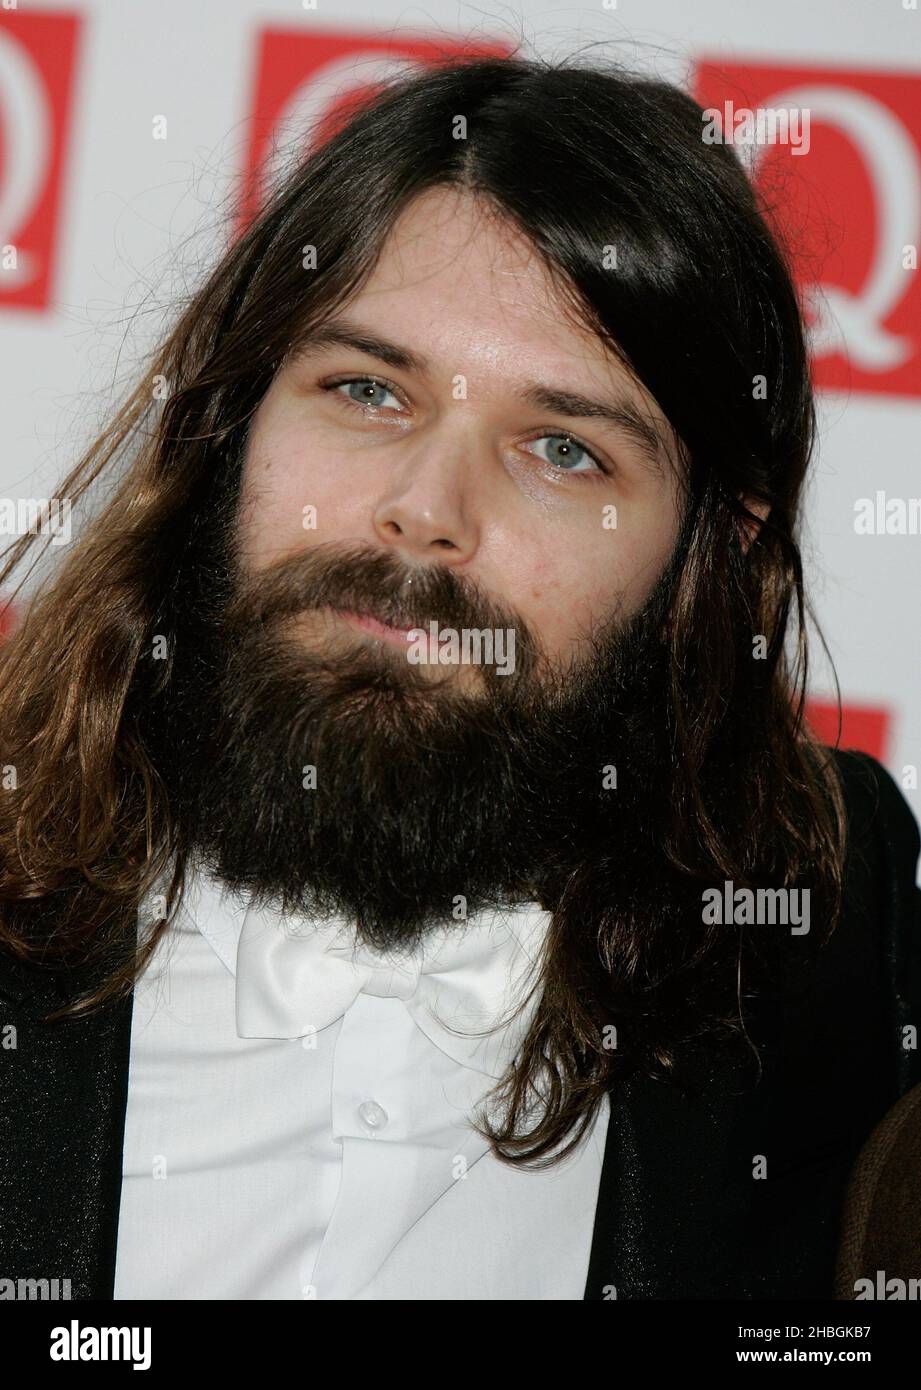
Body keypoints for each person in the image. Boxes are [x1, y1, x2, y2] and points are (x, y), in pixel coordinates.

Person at [0, 52, 918, 1301]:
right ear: (233, 418)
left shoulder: (830, 923)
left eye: (562, 450)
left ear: (713, 550)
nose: (425, 513)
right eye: (368, 390)